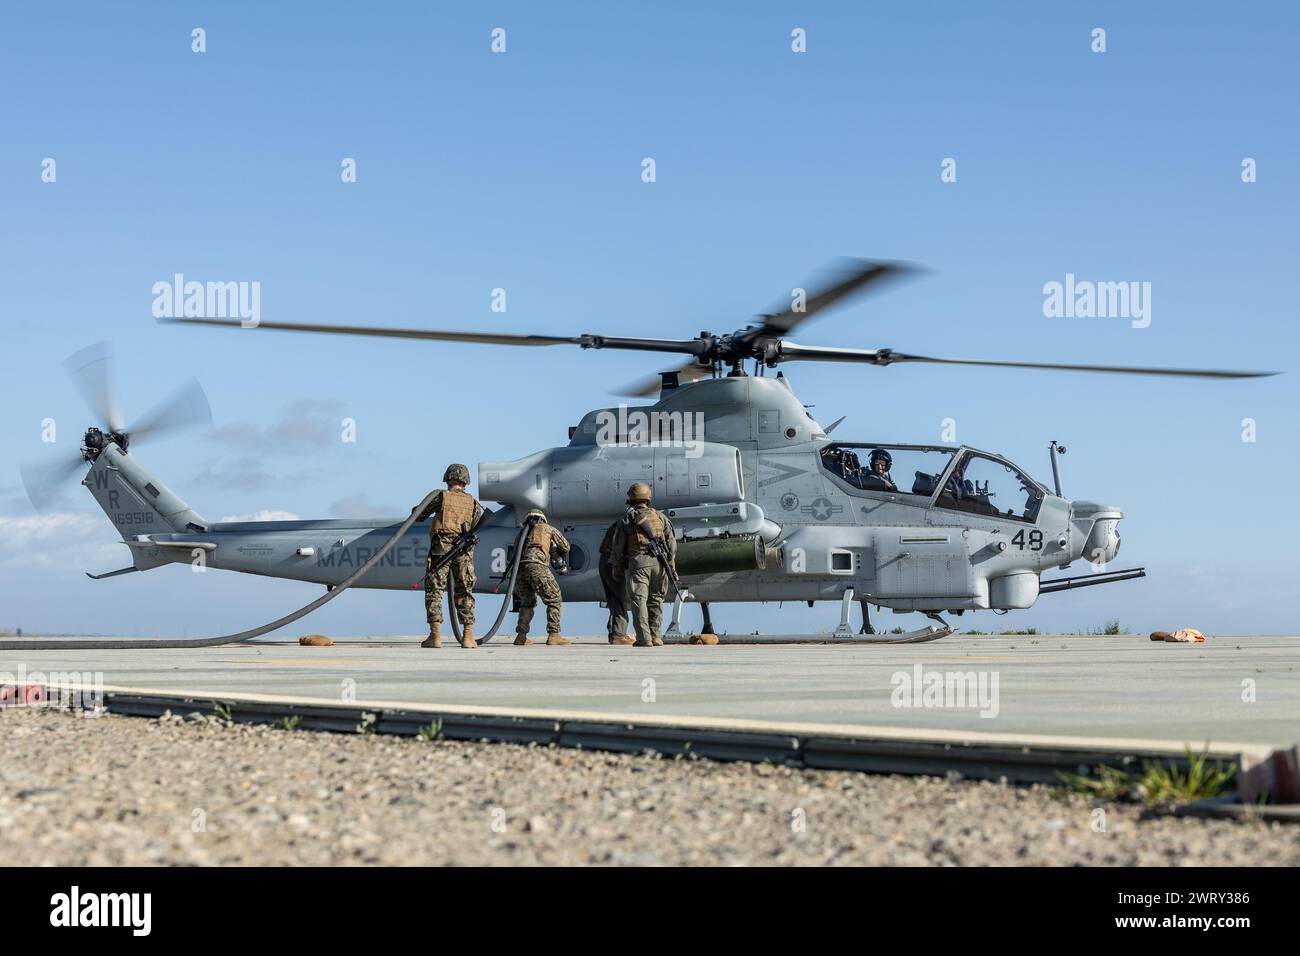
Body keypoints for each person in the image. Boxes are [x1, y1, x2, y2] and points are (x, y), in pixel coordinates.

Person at [415, 463, 483, 649]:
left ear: (448, 479)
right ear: (466, 482)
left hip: (441, 550)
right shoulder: (473, 503)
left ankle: (435, 636)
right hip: (463, 552)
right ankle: (468, 636)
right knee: (464, 591)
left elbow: (418, 515)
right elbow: (477, 522)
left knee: (434, 591)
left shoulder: (441, 497)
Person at [609, 482, 676, 647]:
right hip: (660, 564)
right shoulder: (660, 517)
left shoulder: (627, 519)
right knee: (656, 600)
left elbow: (617, 546)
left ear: (631, 498)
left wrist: (616, 565)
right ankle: (656, 636)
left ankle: (644, 638)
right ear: (648, 497)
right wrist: (671, 562)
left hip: (639, 563)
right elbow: (672, 543)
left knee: (639, 600)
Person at [513, 509, 572, 646]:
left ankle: (521, 636)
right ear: (543, 519)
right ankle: (554, 635)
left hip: (520, 570)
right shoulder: (547, 529)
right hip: (537, 566)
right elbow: (566, 546)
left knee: (527, 603)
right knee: (554, 599)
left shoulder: (522, 533)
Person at [598, 514, 635, 645]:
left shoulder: (619, 523)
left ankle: (613, 632)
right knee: (620, 599)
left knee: (613, 598)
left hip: (604, 561)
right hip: (613, 562)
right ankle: (619, 635)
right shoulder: (629, 523)